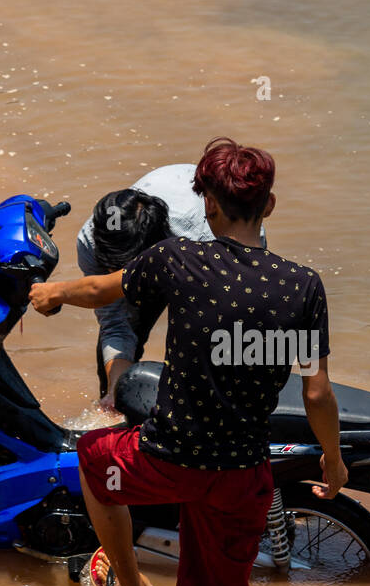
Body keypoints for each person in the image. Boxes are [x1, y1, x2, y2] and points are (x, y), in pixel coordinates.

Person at [29, 138, 345, 586]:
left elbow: (100, 291)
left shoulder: (178, 259)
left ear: (208, 206)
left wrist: (53, 293)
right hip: (243, 473)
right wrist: (334, 462)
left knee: (90, 458)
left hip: (167, 458)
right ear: (268, 207)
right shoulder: (302, 286)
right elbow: (316, 393)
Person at [76, 163, 263, 409]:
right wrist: (116, 392)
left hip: (217, 254)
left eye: (126, 273)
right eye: (111, 272)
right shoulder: (90, 243)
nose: (115, 279)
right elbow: (115, 326)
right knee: (116, 382)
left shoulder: (204, 242)